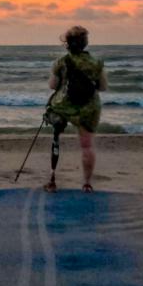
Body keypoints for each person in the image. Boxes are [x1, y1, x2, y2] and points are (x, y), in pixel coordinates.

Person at [43, 25, 106, 192]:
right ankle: (87, 184)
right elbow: (102, 87)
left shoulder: (61, 62)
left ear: (67, 43)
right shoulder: (96, 63)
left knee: (56, 138)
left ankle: (52, 179)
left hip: (63, 106)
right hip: (88, 107)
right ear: (85, 43)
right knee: (87, 146)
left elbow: (52, 85)